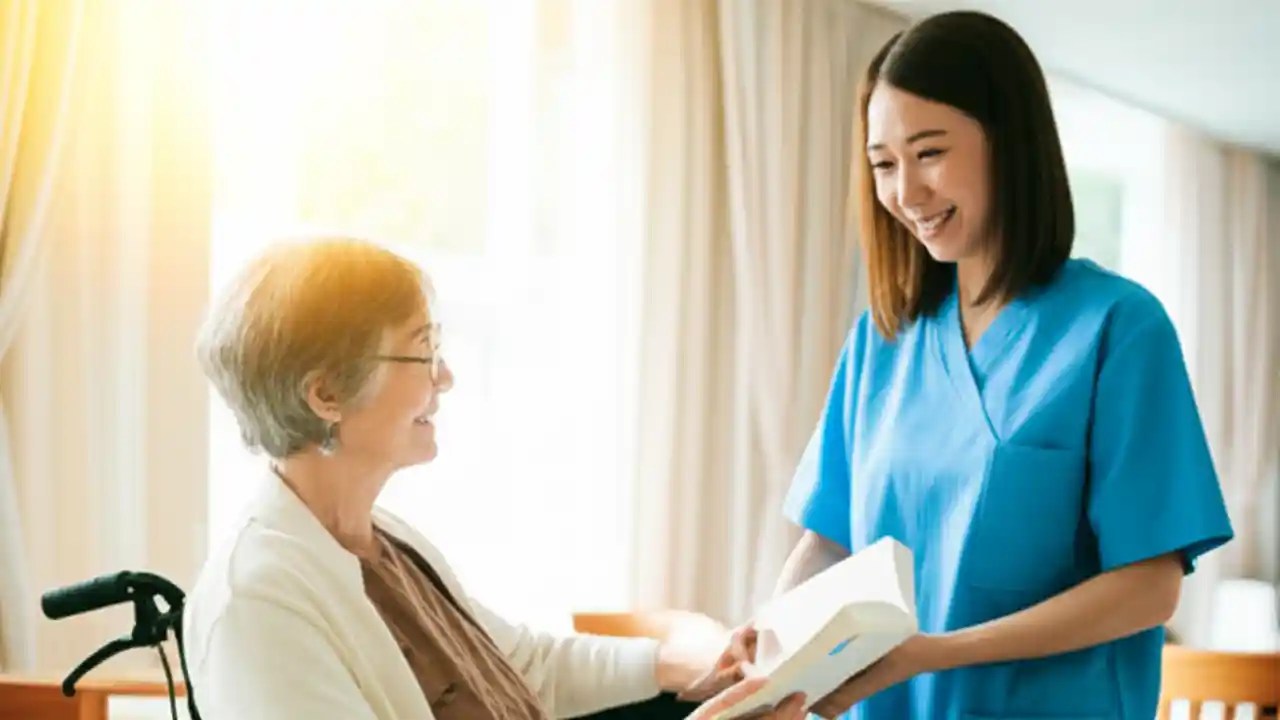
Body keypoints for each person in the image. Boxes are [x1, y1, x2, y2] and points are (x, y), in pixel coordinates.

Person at [685, 10, 1233, 720]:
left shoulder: (1118, 329)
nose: (905, 193)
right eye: (884, 164)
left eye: (930, 153)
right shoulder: (881, 342)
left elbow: (1150, 587)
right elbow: (829, 541)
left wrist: (935, 653)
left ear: (1009, 142)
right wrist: (772, 638)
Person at [183, 237, 806, 720]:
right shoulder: (257, 602)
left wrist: (685, 663)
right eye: (421, 351)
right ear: (325, 394)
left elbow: (524, 666)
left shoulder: (384, 541)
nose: (445, 376)